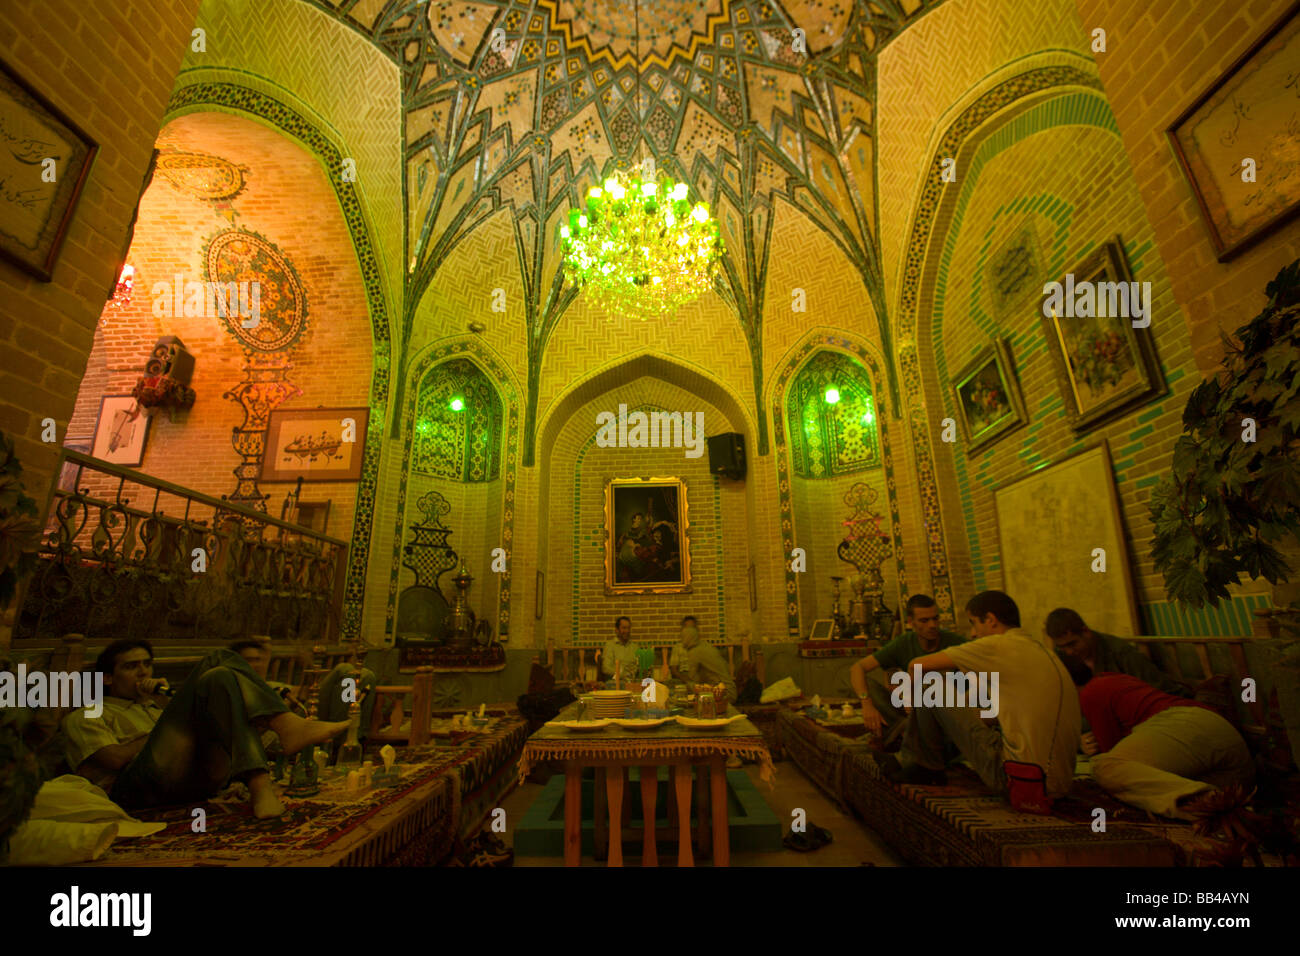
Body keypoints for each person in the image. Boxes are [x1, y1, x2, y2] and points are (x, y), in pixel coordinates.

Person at [62, 639, 349, 819]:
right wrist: (174, 719)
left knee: (219, 677)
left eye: (147, 665)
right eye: (131, 667)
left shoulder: (154, 707)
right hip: (139, 790)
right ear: (108, 678)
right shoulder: (89, 713)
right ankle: (286, 728)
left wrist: (167, 707)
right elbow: (114, 759)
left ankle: (260, 783)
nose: (143, 673)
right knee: (218, 660)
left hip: (192, 783)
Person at [879, 590, 1081, 804]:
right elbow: (997, 713)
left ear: (991, 620)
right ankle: (920, 761)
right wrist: (954, 716)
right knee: (955, 700)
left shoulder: (997, 645)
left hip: (1021, 779)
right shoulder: (1038, 648)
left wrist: (913, 703)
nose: (973, 633)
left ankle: (917, 763)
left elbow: (917, 666)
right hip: (1057, 780)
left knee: (931, 683)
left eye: (974, 624)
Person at [1064, 661, 1254, 820]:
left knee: (1103, 768)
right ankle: (1223, 805)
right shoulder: (1109, 679)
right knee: (1149, 786)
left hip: (1188, 726)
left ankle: (1211, 806)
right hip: (1223, 757)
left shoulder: (1091, 692)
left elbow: (1112, 756)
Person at [849, 594, 964, 737]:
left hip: (946, 709)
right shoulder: (904, 643)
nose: (932, 625)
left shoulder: (955, 642)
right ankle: (904, 731)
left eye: (935, 619)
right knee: (870, 687)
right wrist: (866, 703)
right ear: (911, 622)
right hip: (911, 709)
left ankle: (901, 734)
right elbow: (857, 668)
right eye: (924, 620)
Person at [1046, 608, 1192, 698]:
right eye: (1063, 647)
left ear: (1086, 632)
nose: (1069, 651)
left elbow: (1162, 693)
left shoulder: (1122, 653)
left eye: (1072, 644)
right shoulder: (1062, 659)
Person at [670, 616, 737, 701]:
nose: (682, 640)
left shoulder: (695, 652)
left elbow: (692, 678)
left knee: (686, 688)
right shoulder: (706, 646)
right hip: (726, 688)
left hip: (723, 692)